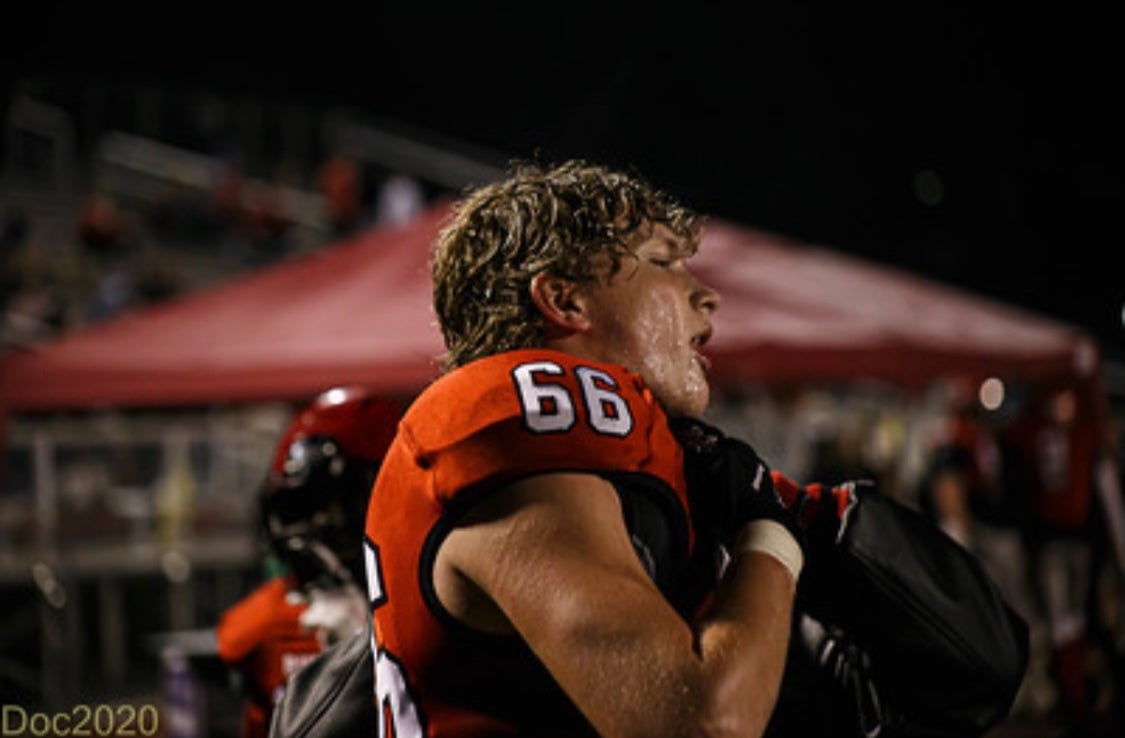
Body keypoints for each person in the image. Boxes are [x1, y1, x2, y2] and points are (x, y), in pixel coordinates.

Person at [271, 160, 1025, 738]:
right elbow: (700, 723)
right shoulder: (521, 407)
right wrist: (772, 536)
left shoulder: (641, 471)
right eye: (662, 262)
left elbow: (969, 673)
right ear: (563, 300)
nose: (706, 295)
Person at [215, 386, 400, 738]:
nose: (317, 527)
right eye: (307, 510)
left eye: (333, 506)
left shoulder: (427, 600)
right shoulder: (261, 629)